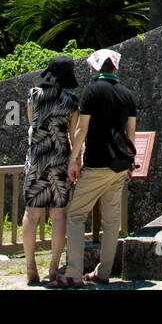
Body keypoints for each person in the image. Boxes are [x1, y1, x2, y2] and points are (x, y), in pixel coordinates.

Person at [60, 49, 138, 288]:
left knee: (75, 215)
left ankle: (73, 273)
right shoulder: (127, 95)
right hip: (119, 165)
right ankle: (103, 273)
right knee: (112, 221)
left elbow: (81, 130)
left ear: (95, 68)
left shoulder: (92, 91)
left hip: (96, 163)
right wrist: (131, 165)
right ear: (115, 67)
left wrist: (74, 159)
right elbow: (131, 134)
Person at [20, 56, 80, 286]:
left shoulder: (33, 95)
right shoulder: (71, 101)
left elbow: (31, 124)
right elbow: (74, 136)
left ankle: (30, 267)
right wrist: (76, 162)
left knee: (31, 215)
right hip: (59, 161)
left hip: (36, 160)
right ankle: (54, 269)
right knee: (58, 216)